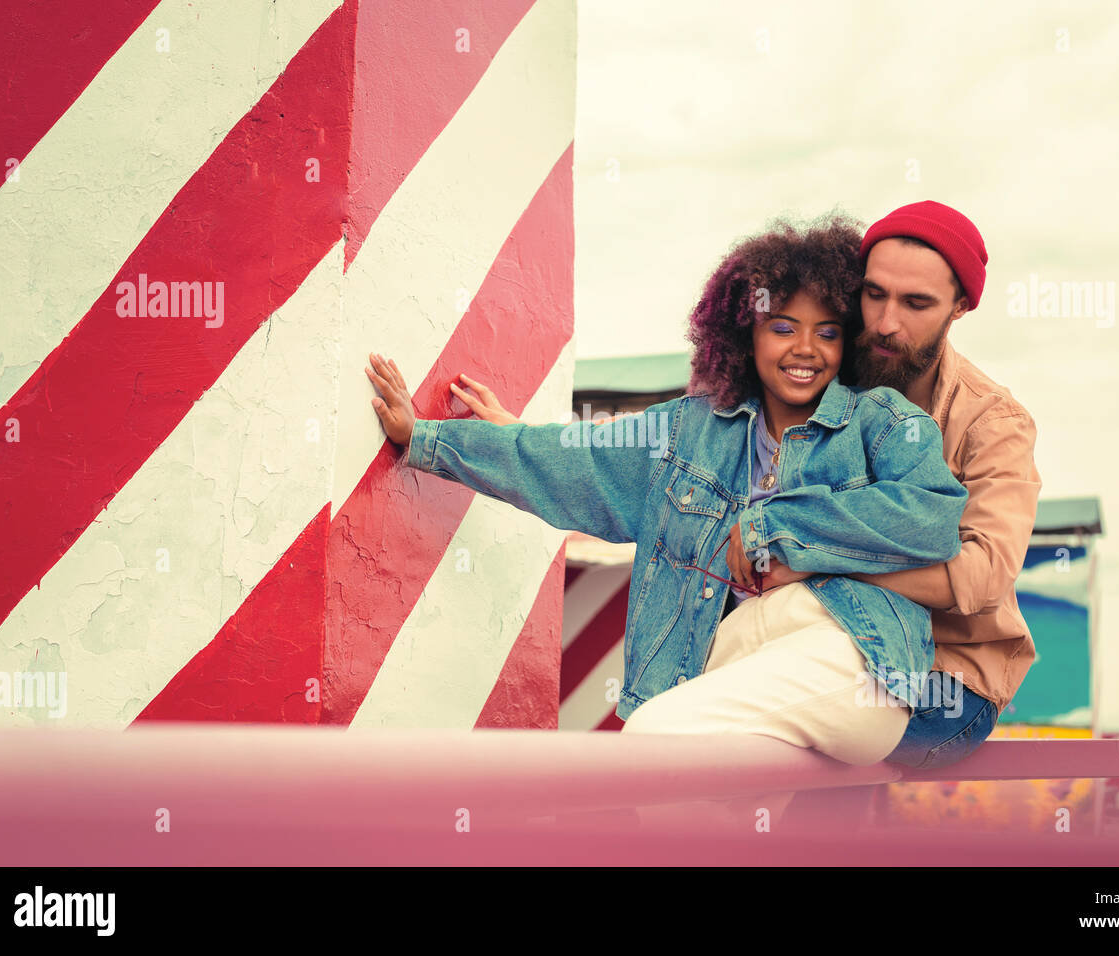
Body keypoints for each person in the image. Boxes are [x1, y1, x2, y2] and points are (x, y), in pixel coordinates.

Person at [366, 212, 969, 776]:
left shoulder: (883, 420)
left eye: (827, 332)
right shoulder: (686, 432)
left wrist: (775, 527)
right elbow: (568, 460)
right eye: (781, 327)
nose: (804, 348)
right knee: (713, 818)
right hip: (728, 672)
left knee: (654, 743)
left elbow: (932, 518)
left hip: (852, 660)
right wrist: (425, 438)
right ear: (744, 333)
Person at [760, 200, 1043, 773]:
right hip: (821, 643)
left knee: (807, 777)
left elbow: (982, 575)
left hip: (946, 675)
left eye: (916, 303)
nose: (887, 322)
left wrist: (817, 562)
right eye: (874, 294)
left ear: (960, 306)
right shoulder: (818, 376)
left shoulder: (994, 422)